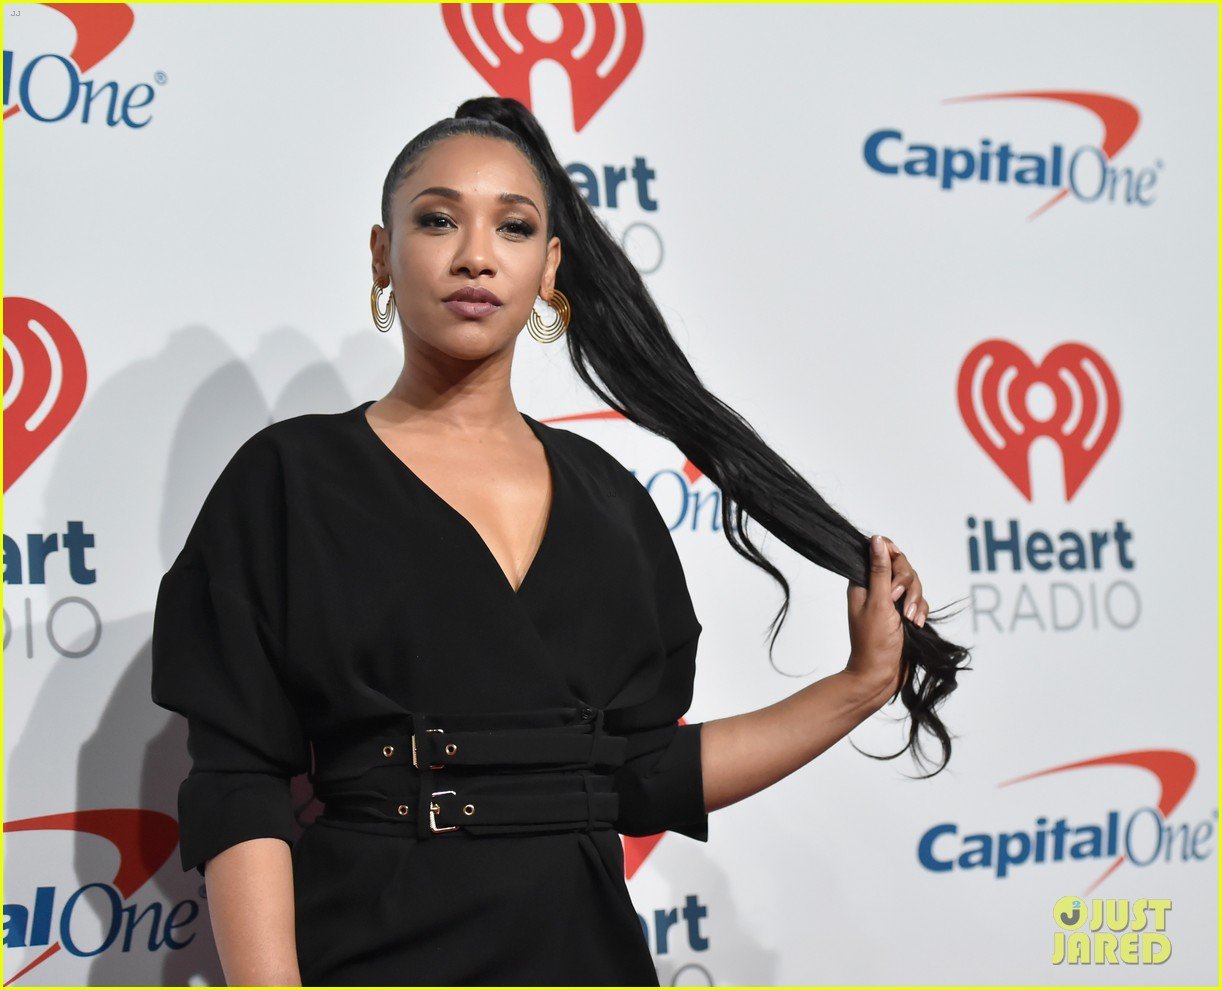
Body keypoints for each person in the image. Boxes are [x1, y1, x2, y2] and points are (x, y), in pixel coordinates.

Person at [150, 96, 971, 986]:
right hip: (373, 949)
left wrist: (859, 687)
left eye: (512, 227)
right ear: (383, 256)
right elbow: (241, 782)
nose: (474, 254)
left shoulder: (609, 498)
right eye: (436, 219)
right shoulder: (289, 480)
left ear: (548, 270)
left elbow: (643, 775)